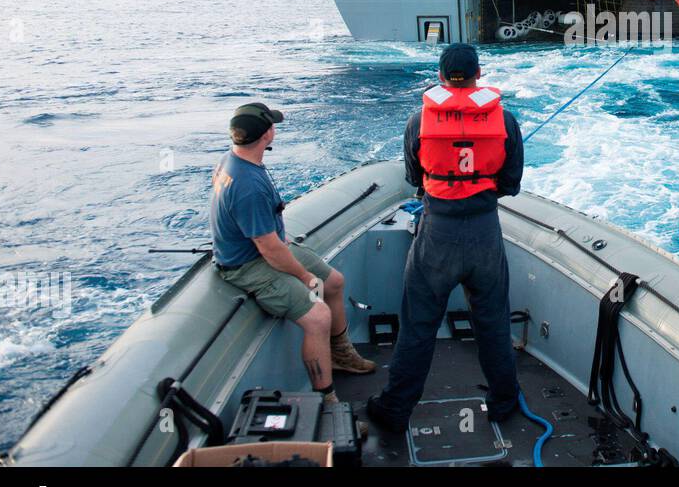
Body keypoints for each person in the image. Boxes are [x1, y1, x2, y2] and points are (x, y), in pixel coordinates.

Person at [367, 44, 524, 431]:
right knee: (492, 322)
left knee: (419, 325)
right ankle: (504, 403)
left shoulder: (417, 121)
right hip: (485, 232)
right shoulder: (505, 120)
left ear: (440, 76)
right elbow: (511, 183)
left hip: (437, 233)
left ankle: (395, 410)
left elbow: (413, 177)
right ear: (479, 74)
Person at [209, 102, 376, 403]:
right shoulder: (249, 186)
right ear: (266, 135)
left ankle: (341, 355)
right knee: (317, 317)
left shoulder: (233, 160)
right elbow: (269, 248)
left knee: (334, 282)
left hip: (264, 249)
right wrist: (304, 276)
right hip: (247, 264)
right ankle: (327, 400)